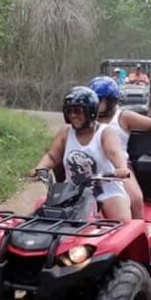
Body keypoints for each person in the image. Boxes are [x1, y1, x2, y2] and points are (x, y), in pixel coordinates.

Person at [33, 87, 131, 222]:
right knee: (42, 216)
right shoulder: (66, 132)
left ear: (90, 111)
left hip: (106, 191)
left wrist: (121, 168)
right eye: (69, 111)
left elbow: (114, 152)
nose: (72, 115)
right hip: (71, 192)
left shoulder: (105, 132)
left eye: (78, 111)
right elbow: (52, 156)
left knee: (122, 222)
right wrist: (40, 168)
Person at [89, 76, 151, 220]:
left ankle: (141, 235)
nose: (94, 103)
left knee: (136, 199)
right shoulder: (88, 118)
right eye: (93, 99)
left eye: (99, 100)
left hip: (119, 168)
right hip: (91, 166)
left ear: (110, 100)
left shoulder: (123, 117)